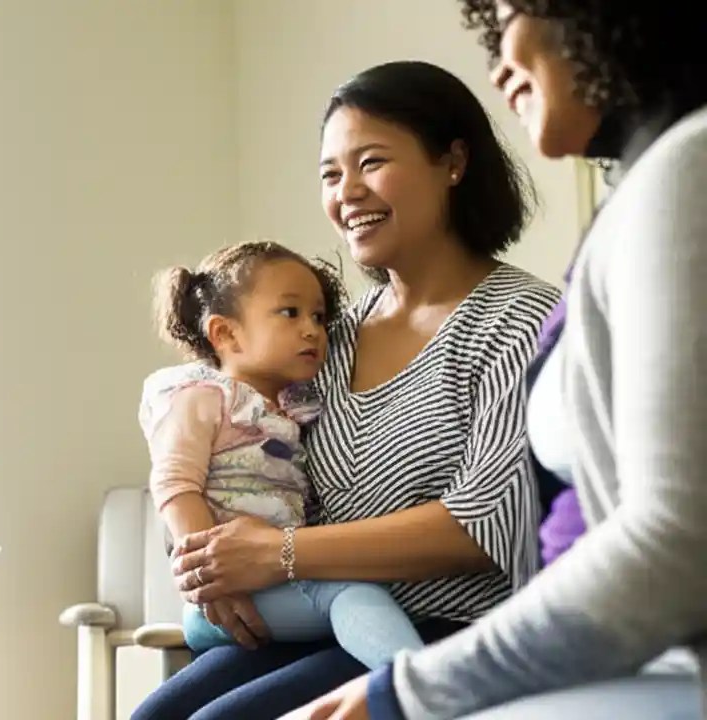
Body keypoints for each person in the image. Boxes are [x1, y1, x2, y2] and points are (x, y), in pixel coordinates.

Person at [289, 2, 707, 718]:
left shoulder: (685, 171)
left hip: (615, 647)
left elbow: (676, 542)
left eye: (510, 17)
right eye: (330, 172)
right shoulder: (645, 186)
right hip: (597, 646)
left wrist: (402, 690)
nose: (498, 64)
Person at [131, 60, 559, 720]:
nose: (346, 191)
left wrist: (280, 553)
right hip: (317, 613)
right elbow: (231, 443)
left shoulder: (521, 320)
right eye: (331, 174)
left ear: (453, 161)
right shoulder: (330, 333)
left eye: (371, 162)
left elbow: (487, 522)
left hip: (454, 629)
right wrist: (207, 560)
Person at [140, 240, 424, 669]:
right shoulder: (201, 397)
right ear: (226, 333)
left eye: (319, 317)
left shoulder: (294, 407)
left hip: (274, 579)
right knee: (354, 594)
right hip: (225, 599)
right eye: (290, 313)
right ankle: (432, 693)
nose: (312, 329)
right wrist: (215, 582)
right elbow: (174, 485)